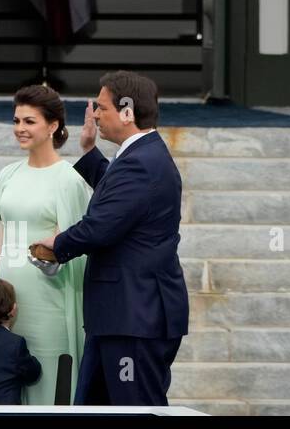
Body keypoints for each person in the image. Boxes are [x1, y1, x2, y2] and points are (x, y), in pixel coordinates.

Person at [36, 71, 188, 406]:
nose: (94, 115)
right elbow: (119, 196)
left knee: (134, 409)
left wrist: (57, 246)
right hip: (121, 317)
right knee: (98, 408)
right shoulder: (142, 157)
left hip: (134, 319)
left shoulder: (142, 163)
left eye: (102, 107)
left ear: (128, 112)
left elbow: (102, 226)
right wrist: (89, 151)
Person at [0, 85, 89, 404]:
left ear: (53, 125)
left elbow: (67, 249)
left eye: (29, 121)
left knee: (47, 387)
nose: (19, 129)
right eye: (16, 121)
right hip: (4, 305)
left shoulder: (69, 178)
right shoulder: (7, 175)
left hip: (48, 301)